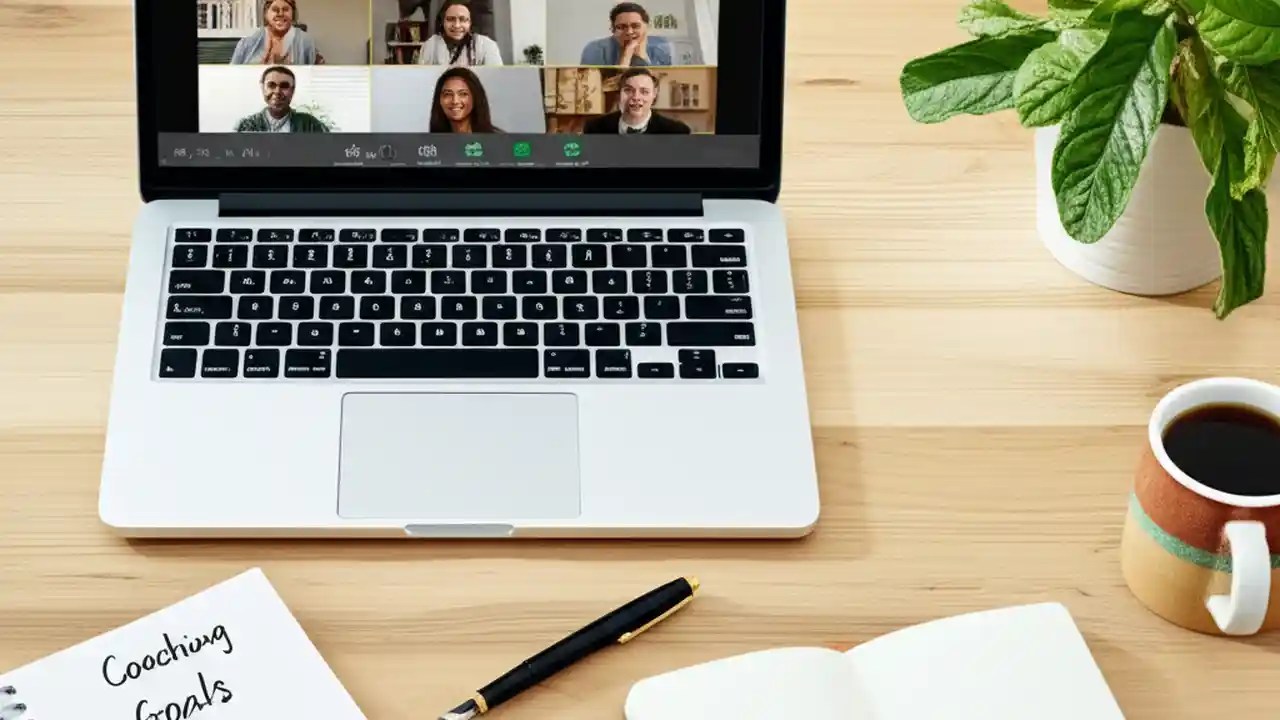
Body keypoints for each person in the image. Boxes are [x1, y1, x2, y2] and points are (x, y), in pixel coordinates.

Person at [584, 67, 688, 134]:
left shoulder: (676, 132)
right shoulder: (594, 128)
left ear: (654, 95)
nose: (636, 97)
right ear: (619, 94)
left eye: (644, 91)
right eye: (628, 90)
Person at [234, 66, 329, 132]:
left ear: (292, 90)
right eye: (271, 85)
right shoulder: (247, 125)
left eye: (284, 86)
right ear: (263, 88)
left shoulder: (311, 125)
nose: (277, 91)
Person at [580, 2, 671, 67]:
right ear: (613, 30)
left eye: (635, 26)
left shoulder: (663, 47)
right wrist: (626, 58)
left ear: (647, 27)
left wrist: (642, 57)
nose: (629, 32)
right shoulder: (595, 49)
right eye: (622, 27)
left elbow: (661, 83)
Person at [230, 0, 322, 65]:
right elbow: (231, 74)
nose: (280, 14)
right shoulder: (248, 42)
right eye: (275, 9)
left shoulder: (306, 41)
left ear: (293, 14)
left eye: (285, 9)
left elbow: (315, 75)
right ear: (266, 14)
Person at [417, 0, 503, 66]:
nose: (457, 25)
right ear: (443, 22)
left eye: (463, 19)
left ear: (470, 23)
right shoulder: (431, 45)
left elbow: (495, 78)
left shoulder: (487, 45)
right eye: (451, 19)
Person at [429, 67, 502, 133]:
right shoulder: (432, 140)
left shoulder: (497, 139)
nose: (455, 101)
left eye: (463, 94)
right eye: (448, 94)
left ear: (475, 97)